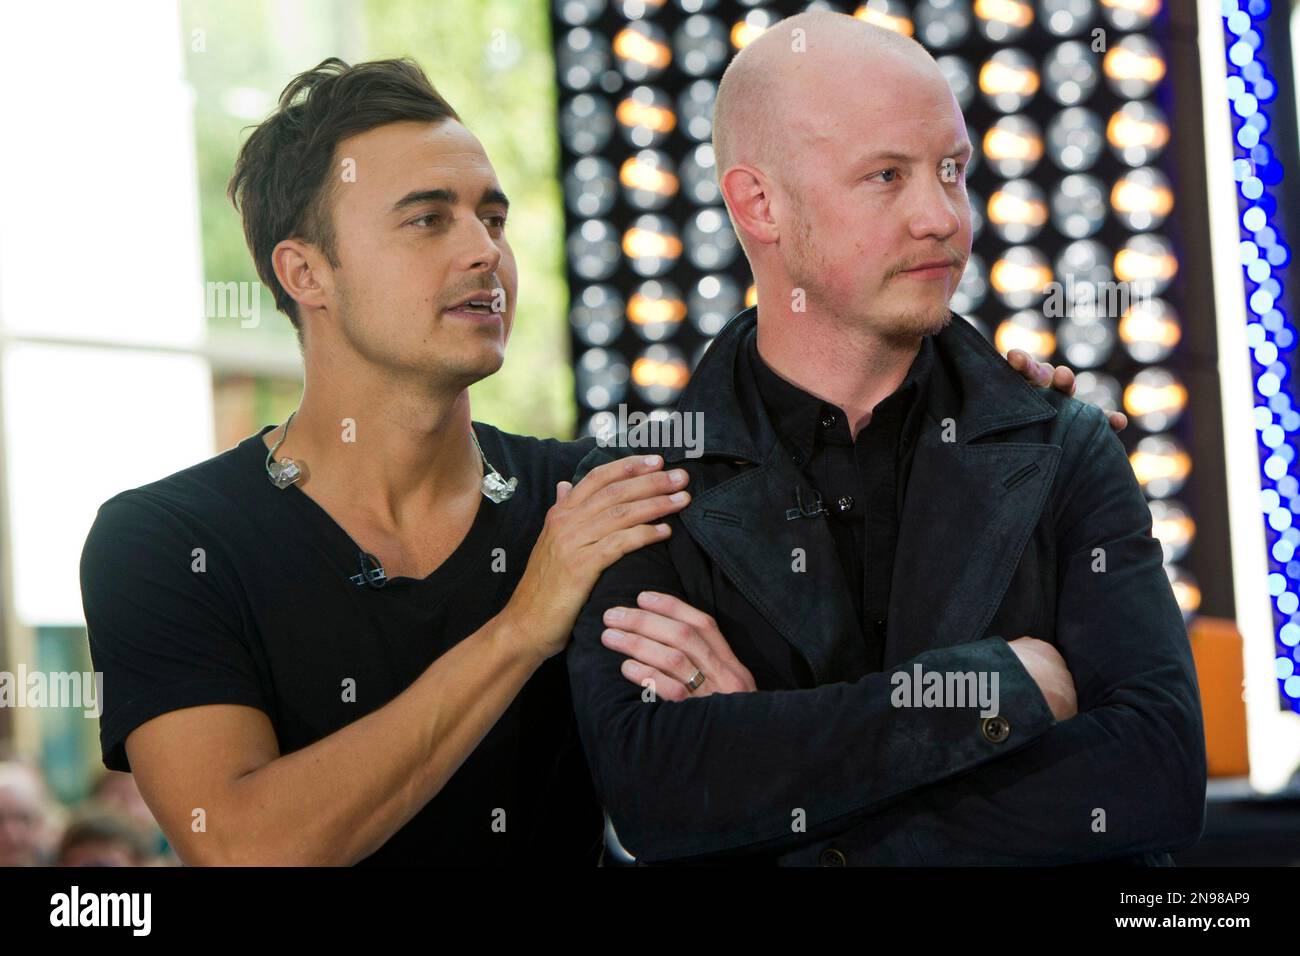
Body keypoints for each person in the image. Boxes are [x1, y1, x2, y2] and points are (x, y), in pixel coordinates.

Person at [79, 55, 1104, 867]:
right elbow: (248, 842)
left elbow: (803, 727)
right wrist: (526, 621)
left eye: (491, 215)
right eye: (427, 218)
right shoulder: (170, 538)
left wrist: (974, 406)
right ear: (305, 272)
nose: (483, 251)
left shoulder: (604, 491)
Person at [565, 12, 1205, 865]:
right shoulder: (641, 483)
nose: (941, 217)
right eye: (886, 177)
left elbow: (1153, 776)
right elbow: (658, 798)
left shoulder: (1066, 444)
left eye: (951, 171)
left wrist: (787, 789)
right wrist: (997, 692)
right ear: (759, 204)